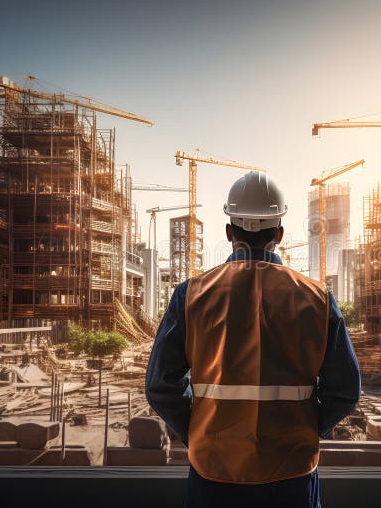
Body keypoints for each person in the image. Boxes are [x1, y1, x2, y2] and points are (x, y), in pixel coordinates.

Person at [145, 171, 360, 507]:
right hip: (292, 472)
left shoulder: (191, 296)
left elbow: (160, 385)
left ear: (230, 232)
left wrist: (198, 433)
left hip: (213, 472)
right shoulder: (317, 299)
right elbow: (345, 390)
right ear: (280, 233)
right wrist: (307, 428)